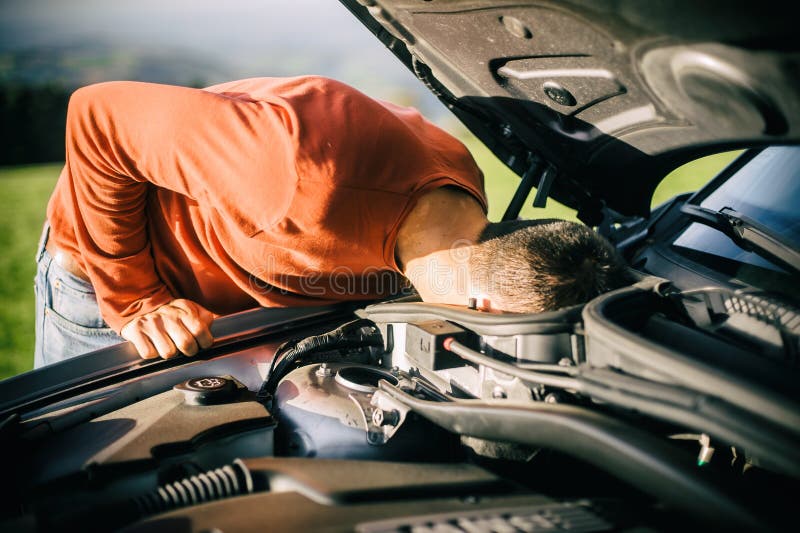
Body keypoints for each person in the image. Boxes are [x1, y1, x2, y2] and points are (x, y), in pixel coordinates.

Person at [35, 76, 629, 367]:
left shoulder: (461, 205)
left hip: (237, 302)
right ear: (484, 308)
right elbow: (98, 115)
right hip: (116, 273)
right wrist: (137, 298)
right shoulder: (294, 172)